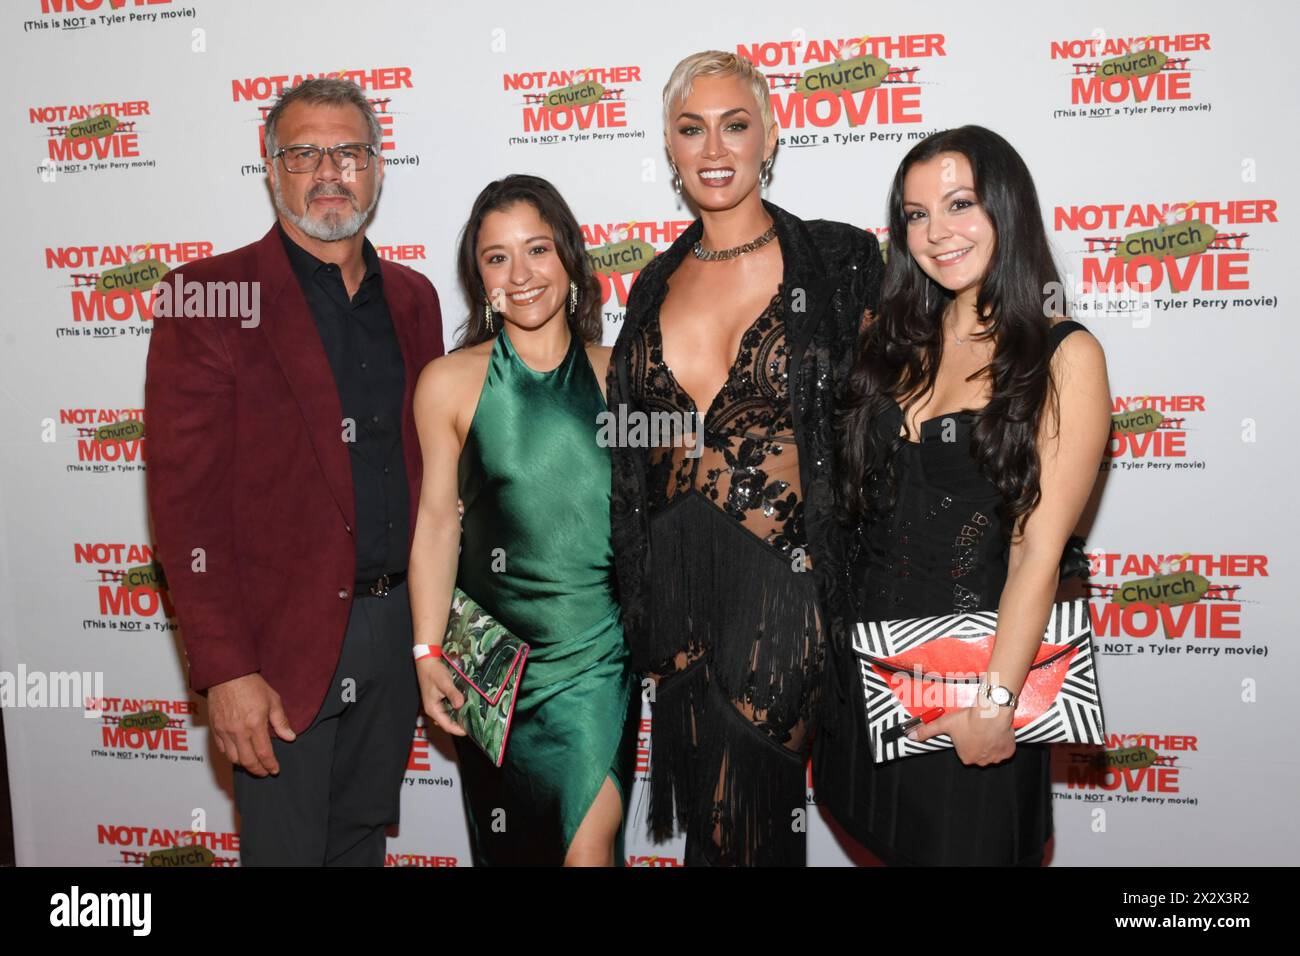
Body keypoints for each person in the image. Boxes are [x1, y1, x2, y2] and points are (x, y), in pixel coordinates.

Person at [144, 78, 444, 865]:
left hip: (395, 638)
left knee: (357, 849)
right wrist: (227, 669)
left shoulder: (414, 300)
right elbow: (185, 510)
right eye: (303, 153)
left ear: (378, 166)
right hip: (279, 650)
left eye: (347, 152)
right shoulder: (210, 297)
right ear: (269, 166)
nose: (328, 172)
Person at [606, 51, 883, 866]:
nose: (714, 148)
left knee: (746, 824)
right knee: (709, 832)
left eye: (735, 125)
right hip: (681, 595)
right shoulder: (652, 284)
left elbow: (890, 419)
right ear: (669, 146)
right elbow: (640, 445)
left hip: (787, 591)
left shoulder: (837, 262)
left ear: (770, 135)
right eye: (692, 129)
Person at [814, 125, 1112, 866]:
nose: (936, 232)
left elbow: (1038, 554)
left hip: (976, 688)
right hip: (865, 687)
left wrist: (995, 706)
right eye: (916, 214)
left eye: (959, 204)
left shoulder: (1063, 356)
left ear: (1006, 209)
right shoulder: (889, 338)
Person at [408, 174, 638, 866]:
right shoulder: (448, 381)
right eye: (497, 257)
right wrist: (425, 652)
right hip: (492, 666)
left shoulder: (623, 376)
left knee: (588, 851)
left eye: (537, 249)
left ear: (569, 258)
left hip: (596, 660)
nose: (521, 273)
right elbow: (437, 525)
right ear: (478, 278)